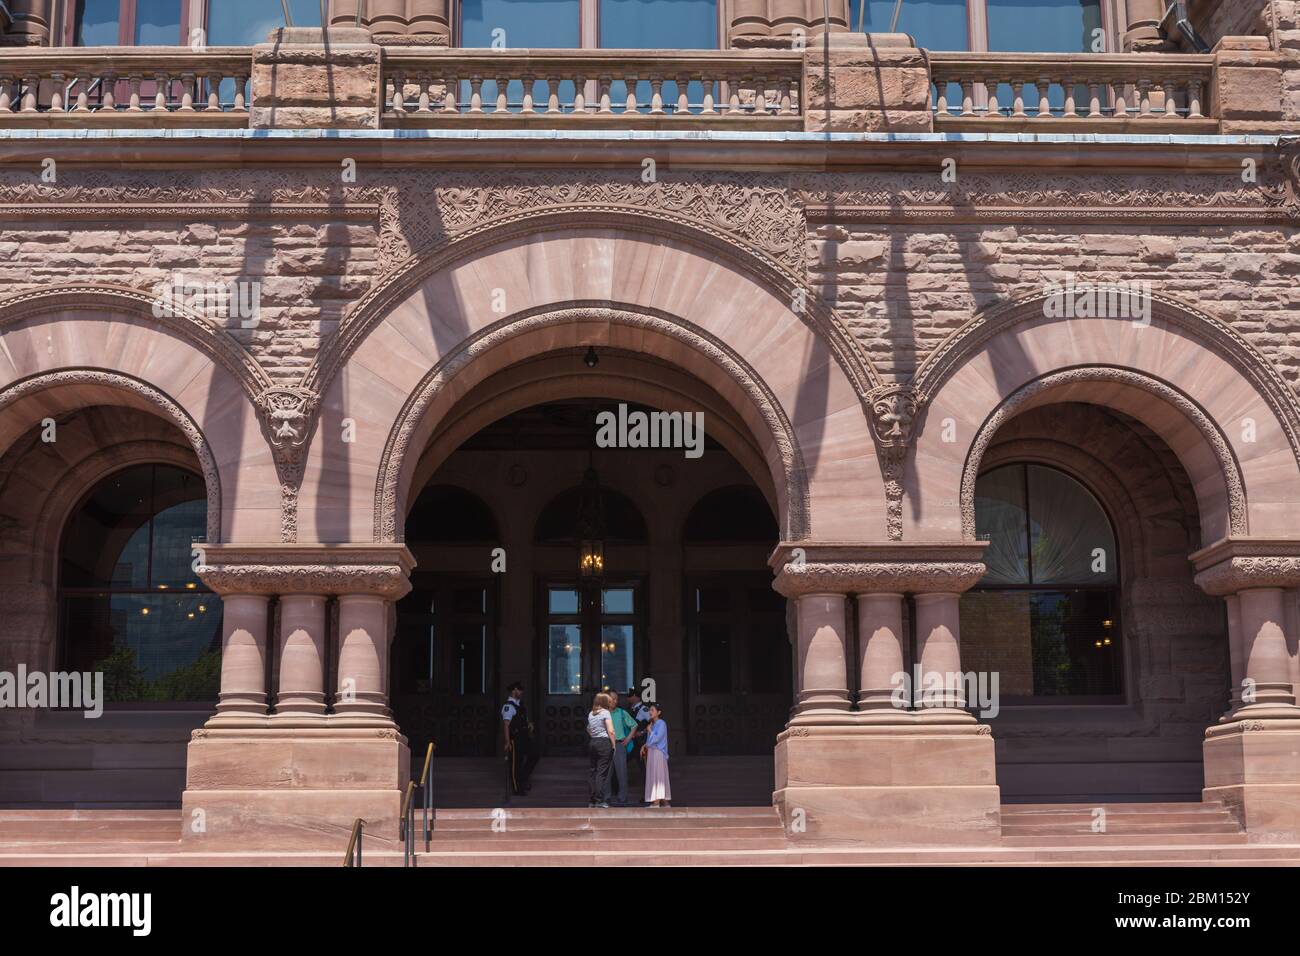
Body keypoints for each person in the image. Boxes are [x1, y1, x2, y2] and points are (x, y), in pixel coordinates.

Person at [501, 681, 538, 796]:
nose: (521, 692)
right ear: (514, 691)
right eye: (519, 690)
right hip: (515, 738)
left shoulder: (520, 705)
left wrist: (529, 724)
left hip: (524, 736)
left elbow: (523, 719)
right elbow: (506, 724)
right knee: (515, 764)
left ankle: (523, 778)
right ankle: (517, 789)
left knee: (534, 754)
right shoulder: (508, 706)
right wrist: (507, 742)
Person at [605, 690, 638, 807]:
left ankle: (623, 798)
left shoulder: (621, 713)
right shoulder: (601, 713)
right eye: (613, 699)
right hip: (606, 746)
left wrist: (628, 739)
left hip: (619, 745)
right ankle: (606, 798)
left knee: (622, 773)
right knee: (606, 773)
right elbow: (590, 727)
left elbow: (634, 725)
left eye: (616, 699)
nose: (615, 701)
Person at [587, 692, 617, 809]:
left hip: (593, 742)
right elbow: (611, 731)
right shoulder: (605, 713)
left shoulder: (591, 714)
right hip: (604, 743)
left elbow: (589, 729)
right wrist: (614, 745)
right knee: (601, 773)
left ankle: (592, 800)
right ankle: (599, 800)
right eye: (609, 701)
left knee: (593, 772)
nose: (611, 703)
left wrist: (595, 736)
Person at [641, 702, 671, 808]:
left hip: (658, 752)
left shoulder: (661, 723)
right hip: (653, 752)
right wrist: (645, 745)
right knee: (654, 775)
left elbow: (657, 738)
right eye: (650, 710)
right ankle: (663, 802)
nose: (650, 712)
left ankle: (657, 802)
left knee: (658, 777)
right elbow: (650, 741)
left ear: (659, 712)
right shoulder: (652, 724)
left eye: (652, 710)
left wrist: (650, 731)